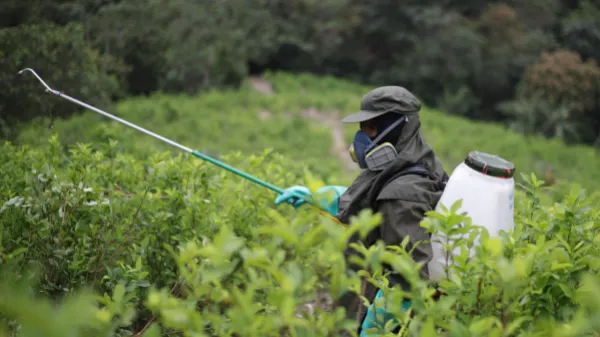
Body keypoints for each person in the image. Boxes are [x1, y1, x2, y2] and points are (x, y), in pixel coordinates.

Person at [273, 86, 449, 335]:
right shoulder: (411, 158)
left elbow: (407, 278)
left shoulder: (403, 195)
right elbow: (372, 201)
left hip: (371, 315)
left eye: (372, 127)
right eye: (363, 127)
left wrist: (372, 328)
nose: (363, 137)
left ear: (397, 126)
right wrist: (321, 197)